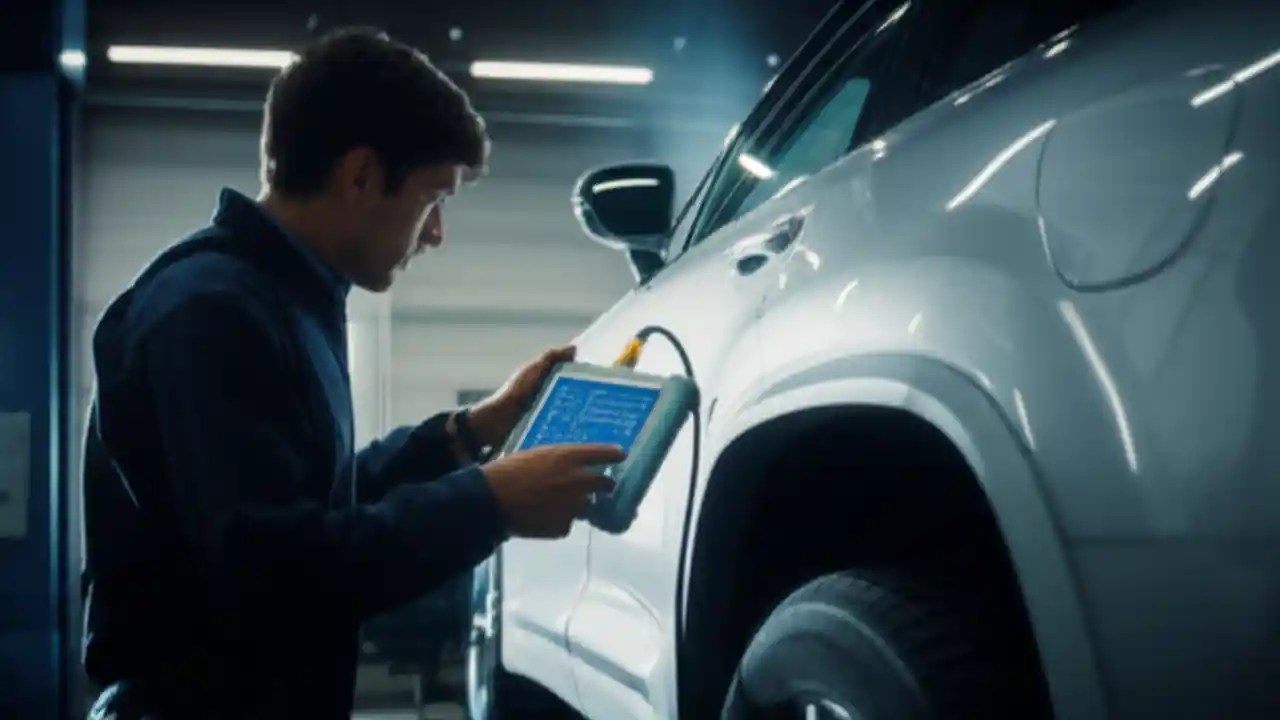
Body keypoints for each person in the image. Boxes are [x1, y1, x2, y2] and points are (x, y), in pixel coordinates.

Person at [80, 27, 623, 719]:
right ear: (361, 175)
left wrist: (466, 433)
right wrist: (489, 502)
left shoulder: (277, 299)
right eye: (434, 198)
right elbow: (276, 569)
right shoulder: (209, 312)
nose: (435, 234)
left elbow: (312, 503)